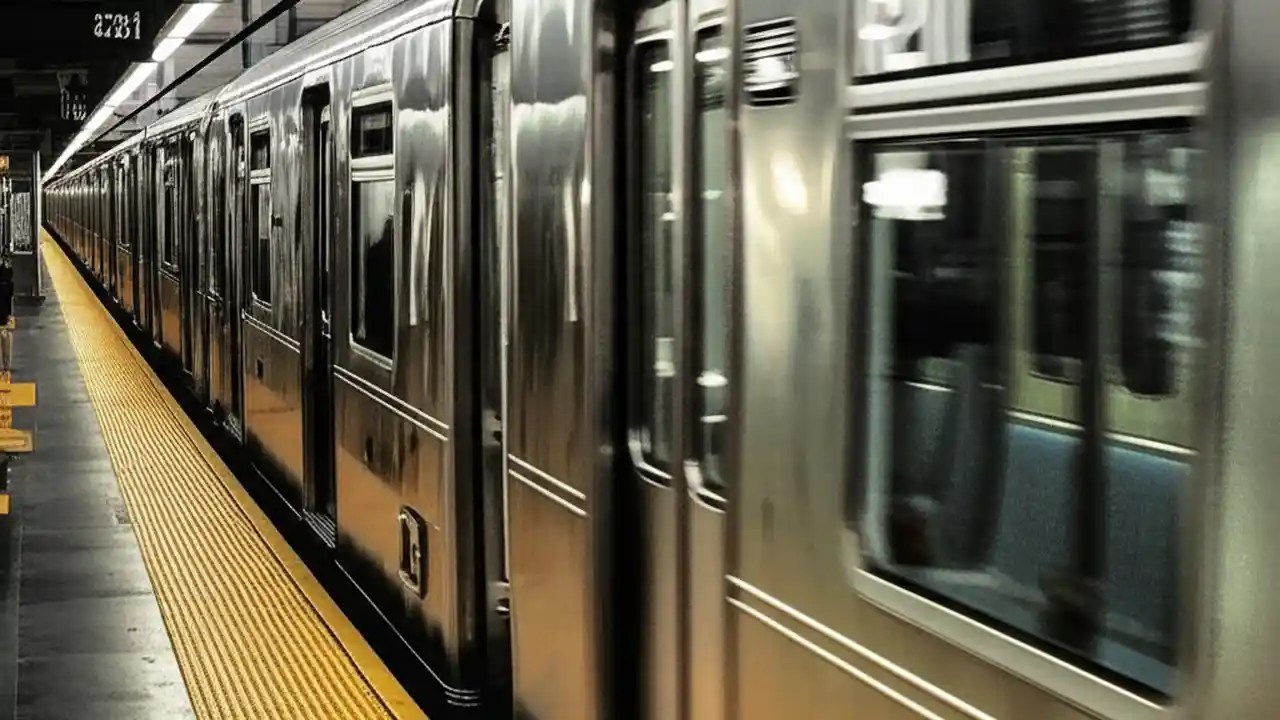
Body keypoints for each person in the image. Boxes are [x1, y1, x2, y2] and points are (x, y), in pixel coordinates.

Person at [0, 254, 14, 375]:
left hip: (3, 312)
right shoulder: (7, 281)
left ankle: (4, 365)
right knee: (5, 336)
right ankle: (6, 366)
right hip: (4, 313)